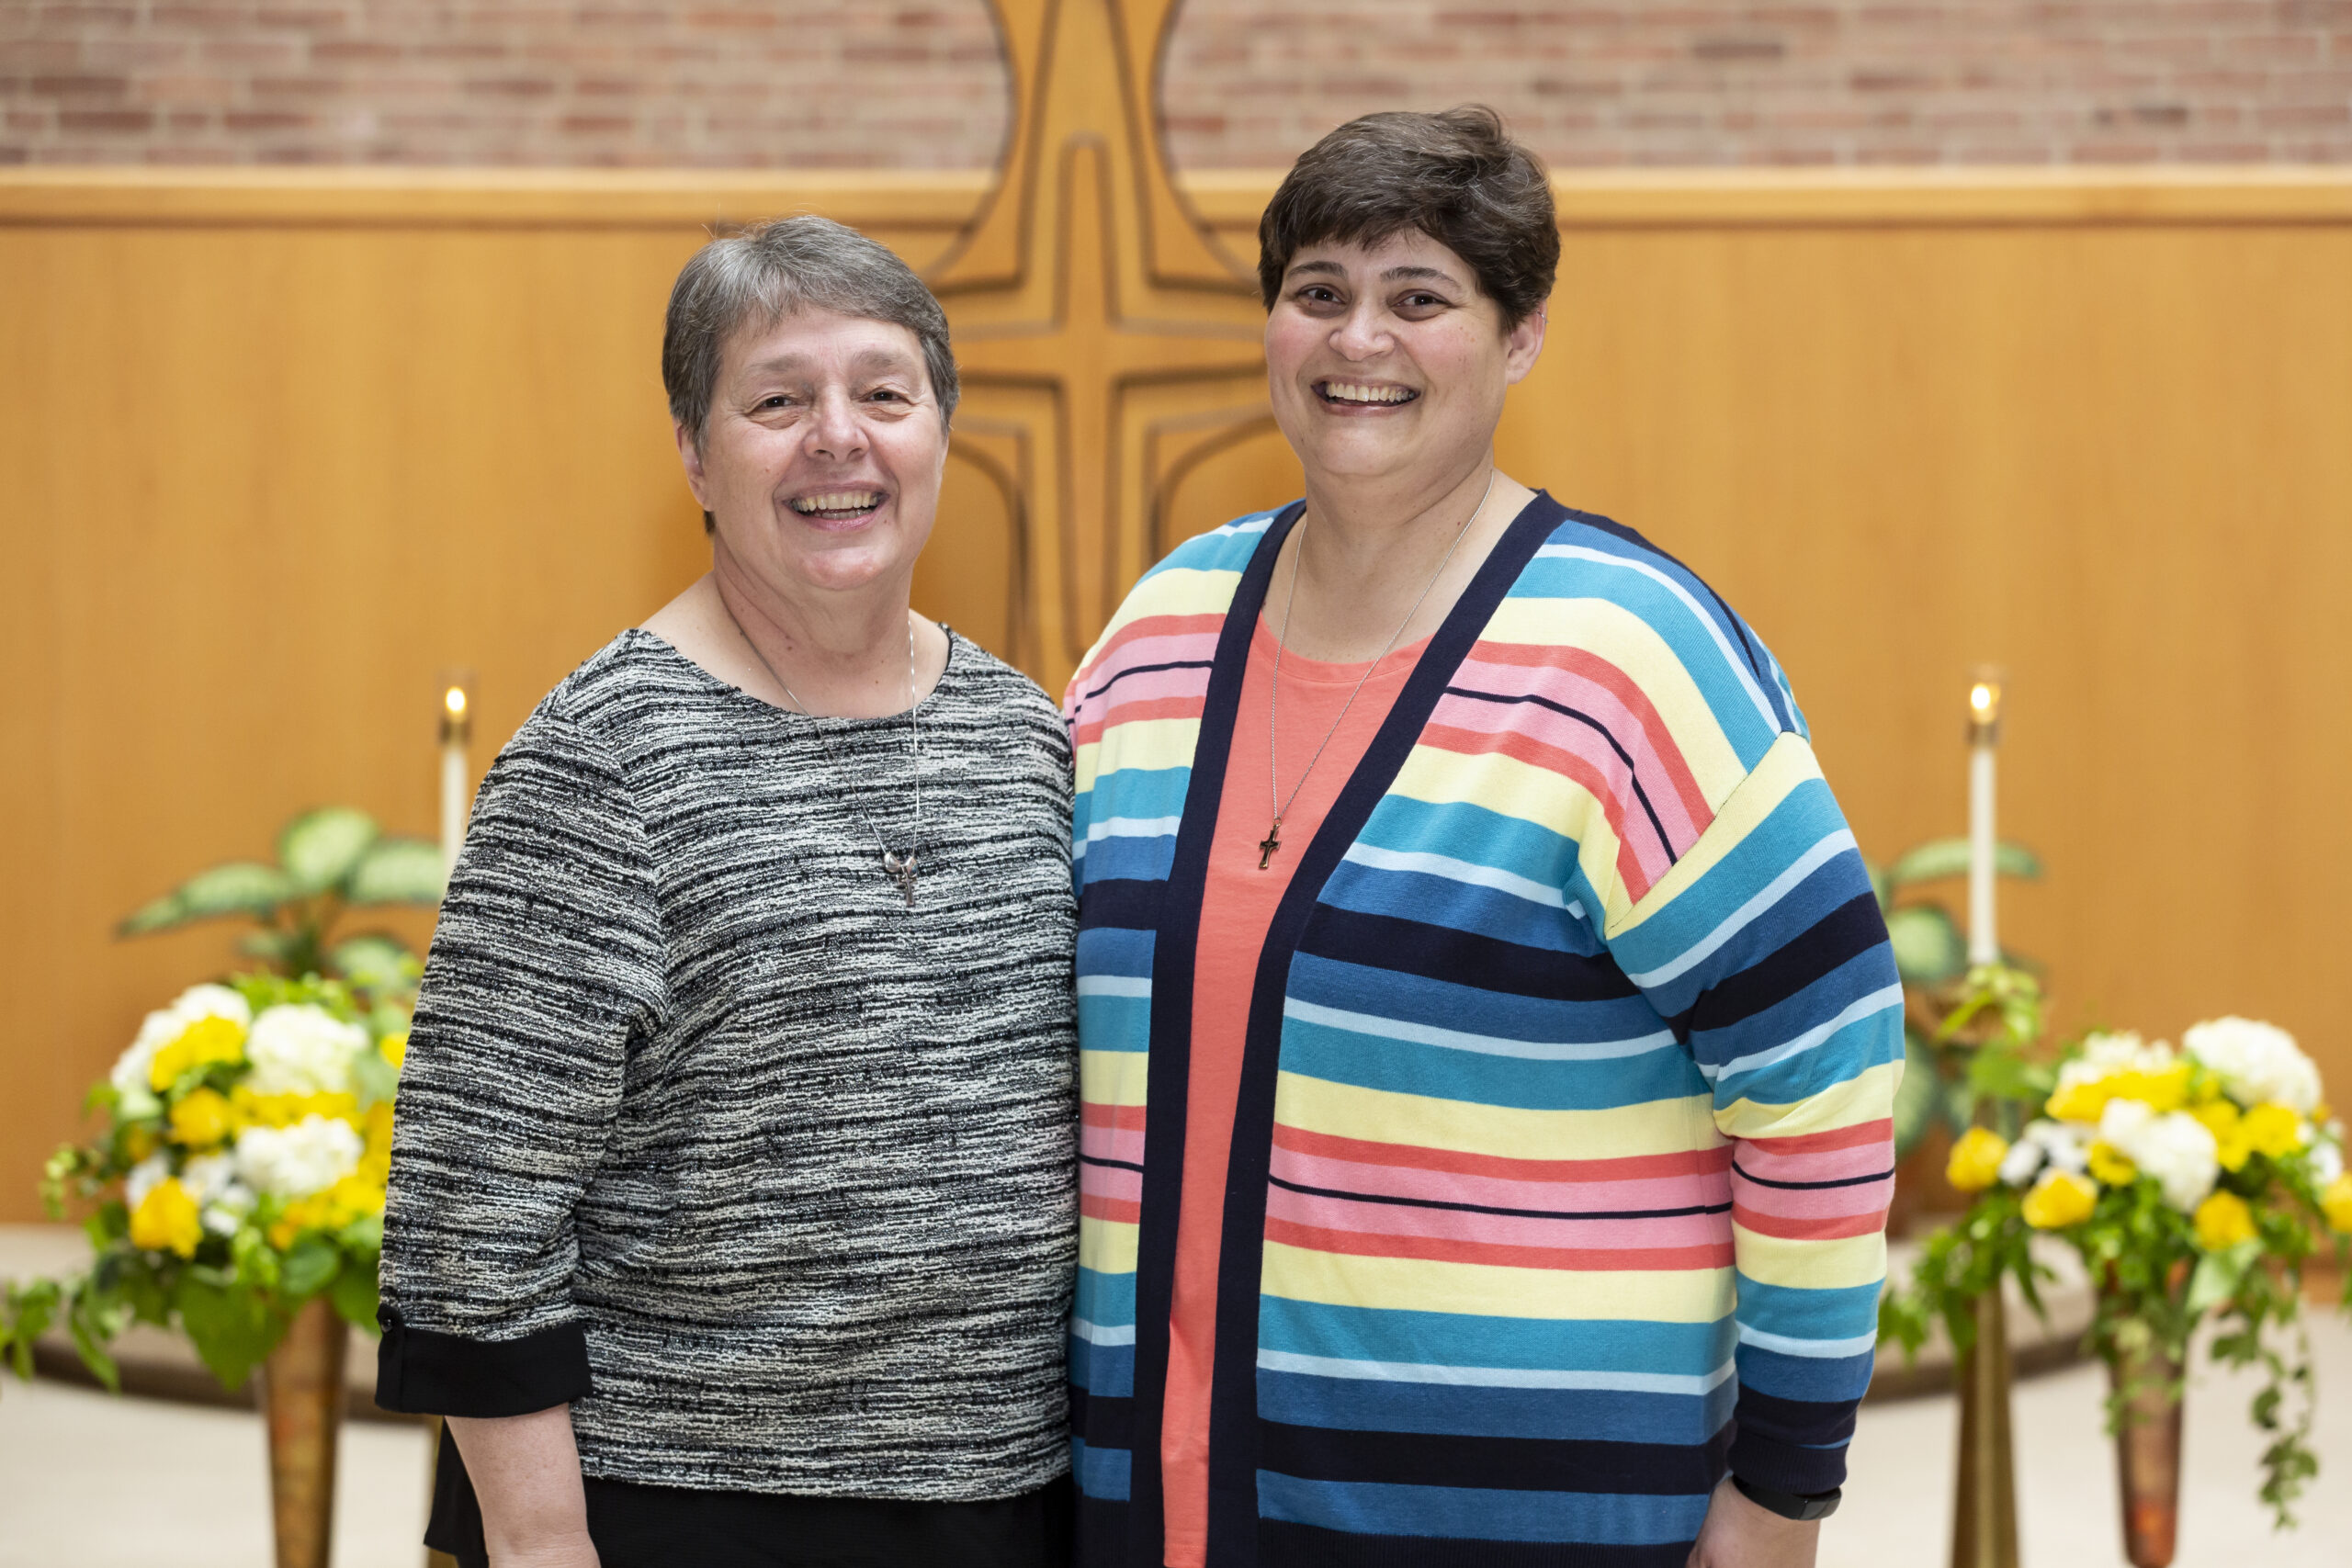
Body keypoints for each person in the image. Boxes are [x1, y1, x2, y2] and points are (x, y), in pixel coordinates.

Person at [1063, 108, 1901, 1568]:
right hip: (1160, 1504)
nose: (1357, 341)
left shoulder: (1630, 655)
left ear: (1519, 339)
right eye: (1317, 291)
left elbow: (1822, 1073)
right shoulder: (1158, 632)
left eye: (1420, 298)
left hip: (1527, 1519)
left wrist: (1782, 1492)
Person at [377, 215, 1078, 1568]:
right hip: (674, 1512)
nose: (838, 438)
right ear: (695, 455)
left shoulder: (1026, 733)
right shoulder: (600, 761)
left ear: (942, 432)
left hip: (1003, 1504)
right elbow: (469, 1218)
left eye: (884, 392)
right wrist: (537, 1544)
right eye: (777, 400)